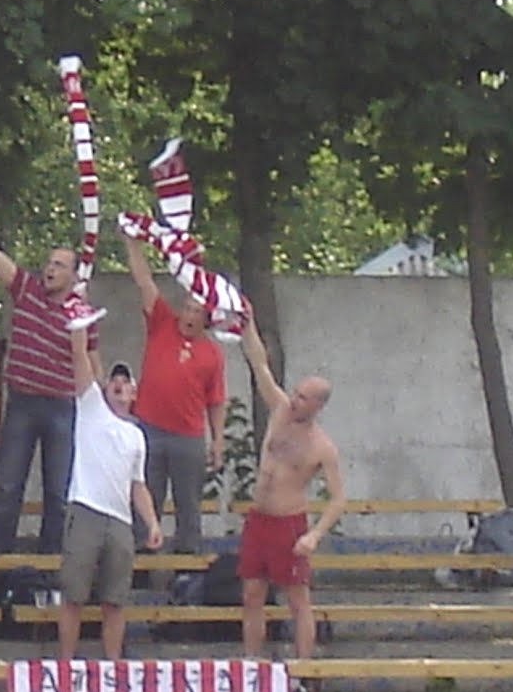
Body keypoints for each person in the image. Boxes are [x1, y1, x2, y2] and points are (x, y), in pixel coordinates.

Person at [0, 189, 101, 553]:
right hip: (23, 402)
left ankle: (48, 575)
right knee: (8, 487)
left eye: (59, 265)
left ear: (75, 275)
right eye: (49, 262)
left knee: (59, 493)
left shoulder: (83, 314)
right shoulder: (26, 288)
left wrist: (101, 414)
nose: (50, 269)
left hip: (62, 406)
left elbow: (92, 364)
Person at [236, 313, 346, 662]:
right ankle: (252, 663)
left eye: (303, 398)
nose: (295, 400)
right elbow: (259, 365)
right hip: (259, 518)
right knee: (252, 593)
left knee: (297, 599)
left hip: (288, 522)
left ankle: (303, 667)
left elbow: (338, 498)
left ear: (318, 405)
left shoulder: (321, 446)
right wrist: (248, 324)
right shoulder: (280, 410)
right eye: (296, 393)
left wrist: (314, 534)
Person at [57, 329, 164, 661]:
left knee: (115, 600)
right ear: (106, 389)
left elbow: (138, 484)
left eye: (125, 381)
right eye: (114, 381)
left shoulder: (137, 436)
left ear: (134, 392)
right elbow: (80, 361)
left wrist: (152, 523)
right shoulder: (91, 410)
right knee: (73, 595)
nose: (119, 385)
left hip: (120, 520)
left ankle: (113, 665)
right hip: (86, 510)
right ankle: (65, 663)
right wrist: (80, 330)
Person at [121, 232, 228, 555]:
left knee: (188, 506)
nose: (188, 315)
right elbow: (144, 283)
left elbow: (216, 400)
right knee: (144, 499)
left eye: (197, 311)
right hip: (149, 428)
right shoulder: (162, 323)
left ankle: (186, 573)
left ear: (206, 319)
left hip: (187, 436)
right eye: (186, 308)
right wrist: (132, 243)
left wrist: (218, 440)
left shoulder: (212, 354)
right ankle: (140, 565)